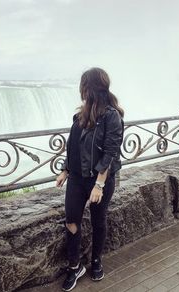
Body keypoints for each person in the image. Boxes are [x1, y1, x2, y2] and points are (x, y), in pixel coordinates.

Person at [56, 67, 124, 291]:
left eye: (83, 85)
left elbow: (110, 152)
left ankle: (96, 261)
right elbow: (73, 146)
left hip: (99, 180)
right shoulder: (81, 115)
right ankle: (75, 267)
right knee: (71, 220)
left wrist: (99, 184)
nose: (81, 90)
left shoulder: (112, 116)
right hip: (77, 178)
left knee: (98, 221)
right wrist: (65, 170)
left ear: (91, 87)